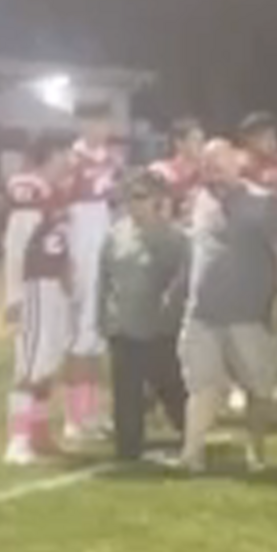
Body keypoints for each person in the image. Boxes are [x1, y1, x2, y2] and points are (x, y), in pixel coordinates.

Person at [178, 139, 277, 473]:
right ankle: (192, 453)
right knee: (201, 384)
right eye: (207, 162)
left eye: (219, 161)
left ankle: (255, 449)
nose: (212, 168)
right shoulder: (200, 199)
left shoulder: (264, 202)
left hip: (249, 312)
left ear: (237, 162)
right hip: (202, 312)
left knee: (258, 388)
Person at [99, 170, 190, 462]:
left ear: (158, 200)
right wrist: (103, 315)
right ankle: (128, 449)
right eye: (129, 198)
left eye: (141, 197)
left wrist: (171, 310)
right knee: (126, 392)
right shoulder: (115, 235)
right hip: (123, 326)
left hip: (160, 329)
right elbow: (103, 279)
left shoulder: (174, 238)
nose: (133, 204)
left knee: (171, 388)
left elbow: (184, 279)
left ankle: (192, 435)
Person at [1, 139, 75, 466]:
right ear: (47, 158)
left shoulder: (55, 192)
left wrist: (68, 281)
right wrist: (13, 296)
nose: (68, 163)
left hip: (53, 287)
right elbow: (16, 248)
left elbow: (59, 244)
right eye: (62, 156)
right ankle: (18, 440)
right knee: (28, 366)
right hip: (34, 287)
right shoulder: (30, 189)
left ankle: (39, 431)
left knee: (46, 364)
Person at [62, 103, 124, 444]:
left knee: (98, 335)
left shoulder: (111, 161)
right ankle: (74, 415)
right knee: (80, 336)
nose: (101, 128)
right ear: (82, 123)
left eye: (105, 121)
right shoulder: (73, 161)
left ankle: (91, 410)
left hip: (103, 248)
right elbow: (63, 210)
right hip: (81, 251)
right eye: (95, 121)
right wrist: (67, 259)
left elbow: (114, 204)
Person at [149, 116, 207, 220]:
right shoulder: (161, 171)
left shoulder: (207, 174)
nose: (201, 145)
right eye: (195, 140)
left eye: (202, 140)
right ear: (179, 143)